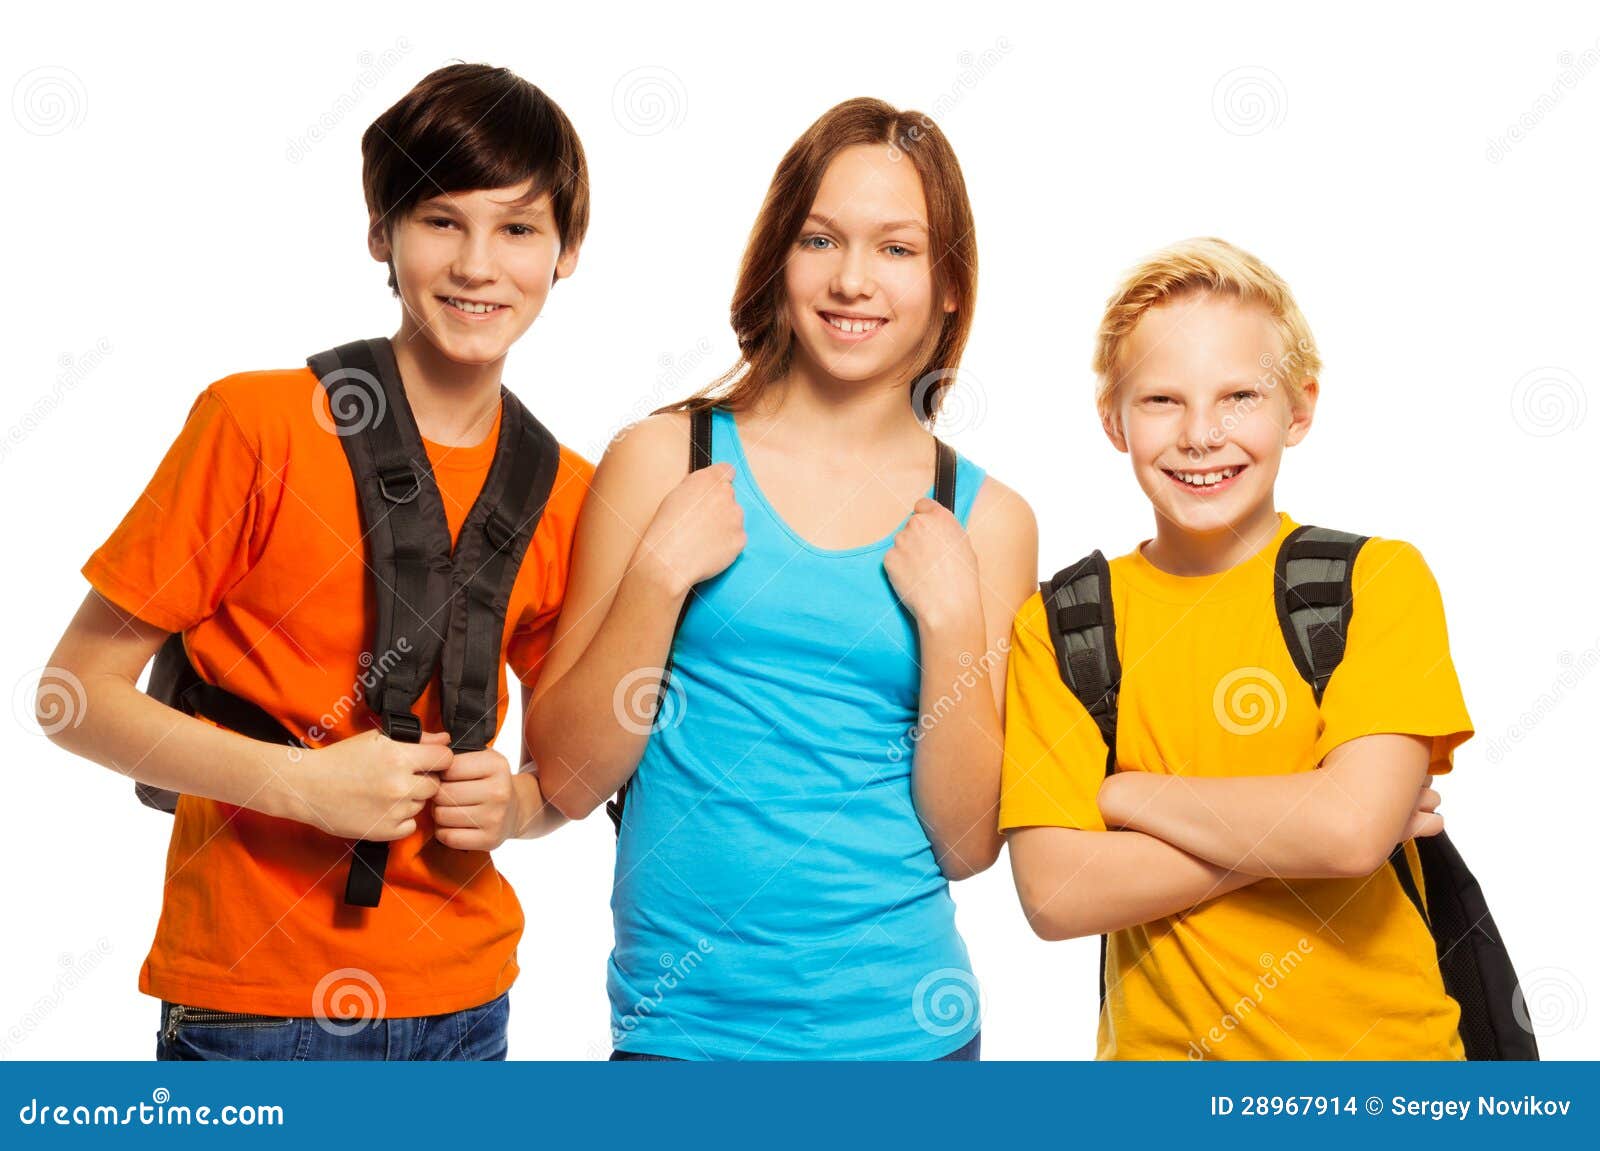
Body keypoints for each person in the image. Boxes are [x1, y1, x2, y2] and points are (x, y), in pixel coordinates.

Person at [37, 63, 594, 1060]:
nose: (478, 264)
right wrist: (301, 784)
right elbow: (72, 694)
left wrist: (517, 803)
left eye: (517, 228)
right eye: (439, 220)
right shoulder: (256, 424)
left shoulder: (569, 488)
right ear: (380, 232)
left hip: (470, 1000)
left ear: (567, 251)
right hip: (256, 1001)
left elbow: (571, 758)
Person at [528, 98, 1037, 1060]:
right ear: (779, 257)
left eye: (898, 248)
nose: (852, 279)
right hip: (678, 1038)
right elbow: (565, 772)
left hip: (910, 1043)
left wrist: (954, 623)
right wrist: (657, 578)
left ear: (950, 284)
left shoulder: (991, 521)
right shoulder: (659, 459)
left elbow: (970, 845)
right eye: (820, 238)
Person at [1000, 236, 1471, 1059]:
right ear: (1112, 419)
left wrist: (1128, 798)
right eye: (1161, 401)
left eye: (1240, 396)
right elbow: (1055, 895)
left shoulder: (1377, 582)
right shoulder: (1064, 623)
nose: (1201, 435)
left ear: (1300, 407)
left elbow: (1353, 833)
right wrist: (1313, 825)